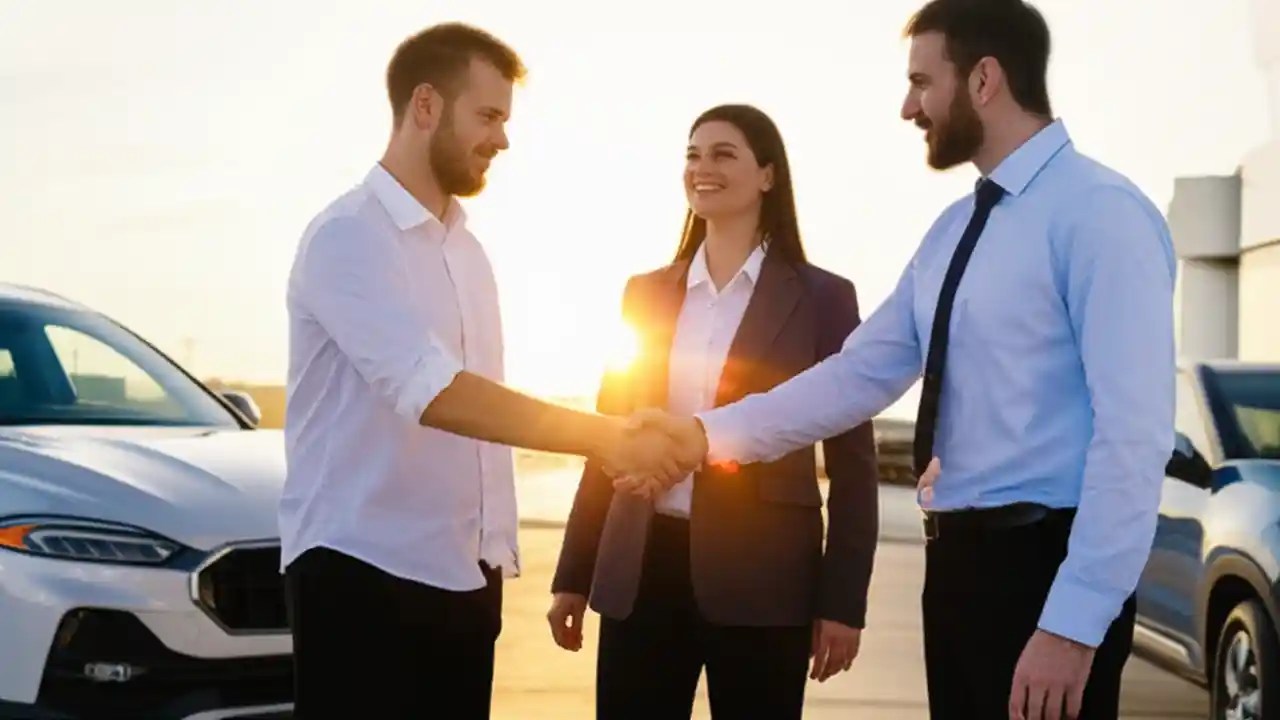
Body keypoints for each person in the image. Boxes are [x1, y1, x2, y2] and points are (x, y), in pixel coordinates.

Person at [621, 2, 1177, 719]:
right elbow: (855, 376)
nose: (909, 106)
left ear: (984, 80)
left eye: (922, 81)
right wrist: (701, 436)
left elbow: (1133, 438)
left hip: (1043, 568)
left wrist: (1073, 622)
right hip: (958, 567)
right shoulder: (952, 232)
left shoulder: (1102, 214)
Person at [280, 22, 687, 719]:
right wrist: (609, 437)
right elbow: (435, 392)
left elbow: (481, 426)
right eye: (489, 116)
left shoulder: (469, 253)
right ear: (427, 106)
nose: (502, 138)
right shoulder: (348, 237)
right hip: (360, 575)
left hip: (464, 579)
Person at [547, 104, 881, 720]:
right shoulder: (644, 292)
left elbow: (854, 467)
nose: (703, 167)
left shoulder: (823, 299)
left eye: (724, 154)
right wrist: (573, 572)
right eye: (693, 154)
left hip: (767, 582)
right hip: (642, 567)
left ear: (767, 176)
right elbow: (609, 436)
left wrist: (842, 603)